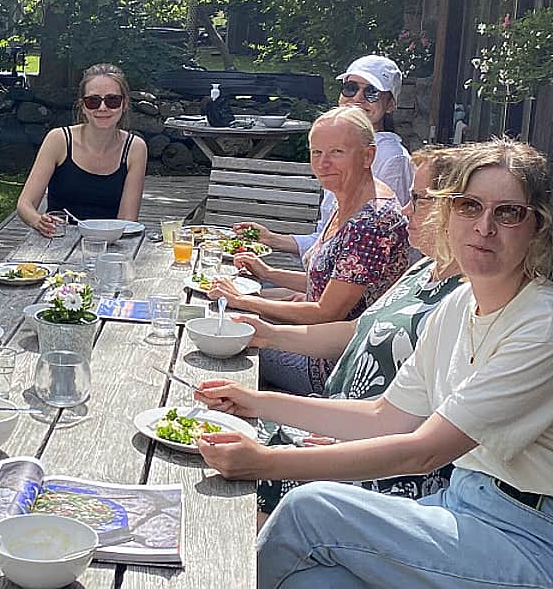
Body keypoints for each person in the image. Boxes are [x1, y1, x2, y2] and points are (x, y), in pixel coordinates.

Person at [195, 139, 553, 589]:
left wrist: (266, 462)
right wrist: (256, 402)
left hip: (526, 535)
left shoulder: (541, 324)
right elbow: (385, 416)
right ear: (448, 214)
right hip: (460, 504)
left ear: (538, 227)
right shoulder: (458, 303)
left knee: (309, 509)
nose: (484, 226)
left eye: (508, 213)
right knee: (315, 582)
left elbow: (424, 451)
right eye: (469, 205)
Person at [244, 146, 463, 523]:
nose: (405, 210)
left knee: (255, 472)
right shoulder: (424, 270)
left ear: (456, 209)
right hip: (343, 415)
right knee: (224, 430)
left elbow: (417, 429)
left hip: (383, 458)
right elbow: (356, 330)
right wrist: (268, 335)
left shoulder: (464, 300)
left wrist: (334, 440)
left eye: (417, 199)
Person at [208, 107, 411, 394]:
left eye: (337, 152)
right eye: (316, 153)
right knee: (215, 310)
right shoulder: (348, 198)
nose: (323, 163)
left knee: (217, 341)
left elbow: (325, 313)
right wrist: (268, 273)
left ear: (368, 156)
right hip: (313, 338)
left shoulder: (371, 223)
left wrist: (244, 301)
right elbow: (331, 282)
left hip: (335, 365)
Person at [237, 54, 413, 257]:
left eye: (372, 92)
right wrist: (270, 239)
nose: (357, 98)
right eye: (351, 88)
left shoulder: (392, 158)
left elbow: (387, 243)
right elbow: (326, 241)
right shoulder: (337, 153)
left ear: (390, 104)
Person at [17, 63, 148, 235]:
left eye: (112, 100)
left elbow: (127, 221)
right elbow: (25, 204)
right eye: (93, 101)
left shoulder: (135, 148)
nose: (103, 108)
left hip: (110, 241)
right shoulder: (59, 140)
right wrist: (39, 221)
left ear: (124, 104)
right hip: (58, 238)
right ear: (83, 106)